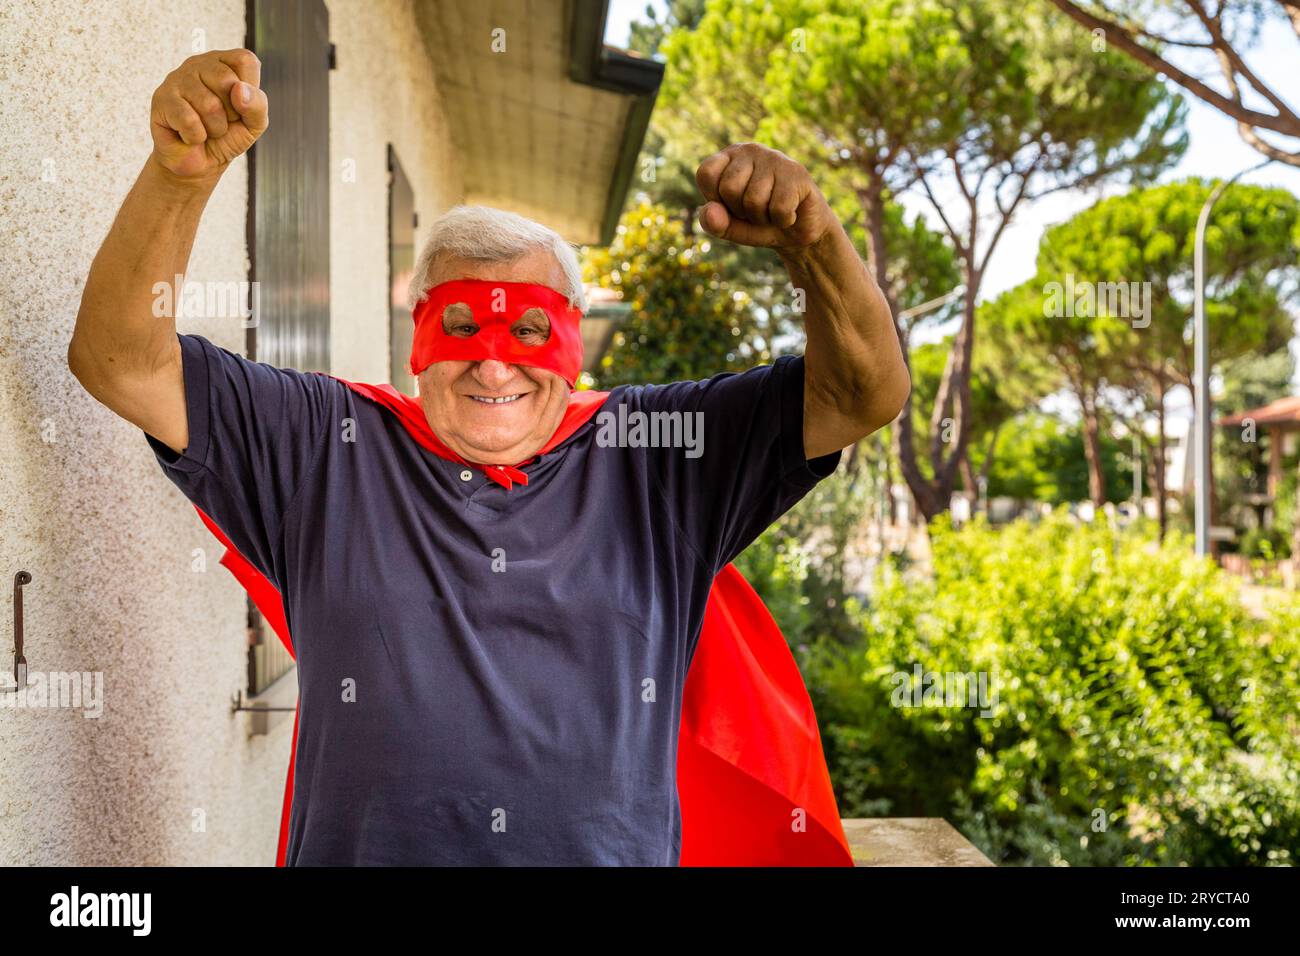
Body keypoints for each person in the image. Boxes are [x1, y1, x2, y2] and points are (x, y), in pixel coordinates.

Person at [68, 50, 909, 865]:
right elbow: (118, 359)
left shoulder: (660, 458)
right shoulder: (324, 444)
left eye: (531, 330)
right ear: (419, 338)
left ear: (572, 342)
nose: (495, 362)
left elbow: (862, 394)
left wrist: (816, 246)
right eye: (463, 326)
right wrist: (180, 179)